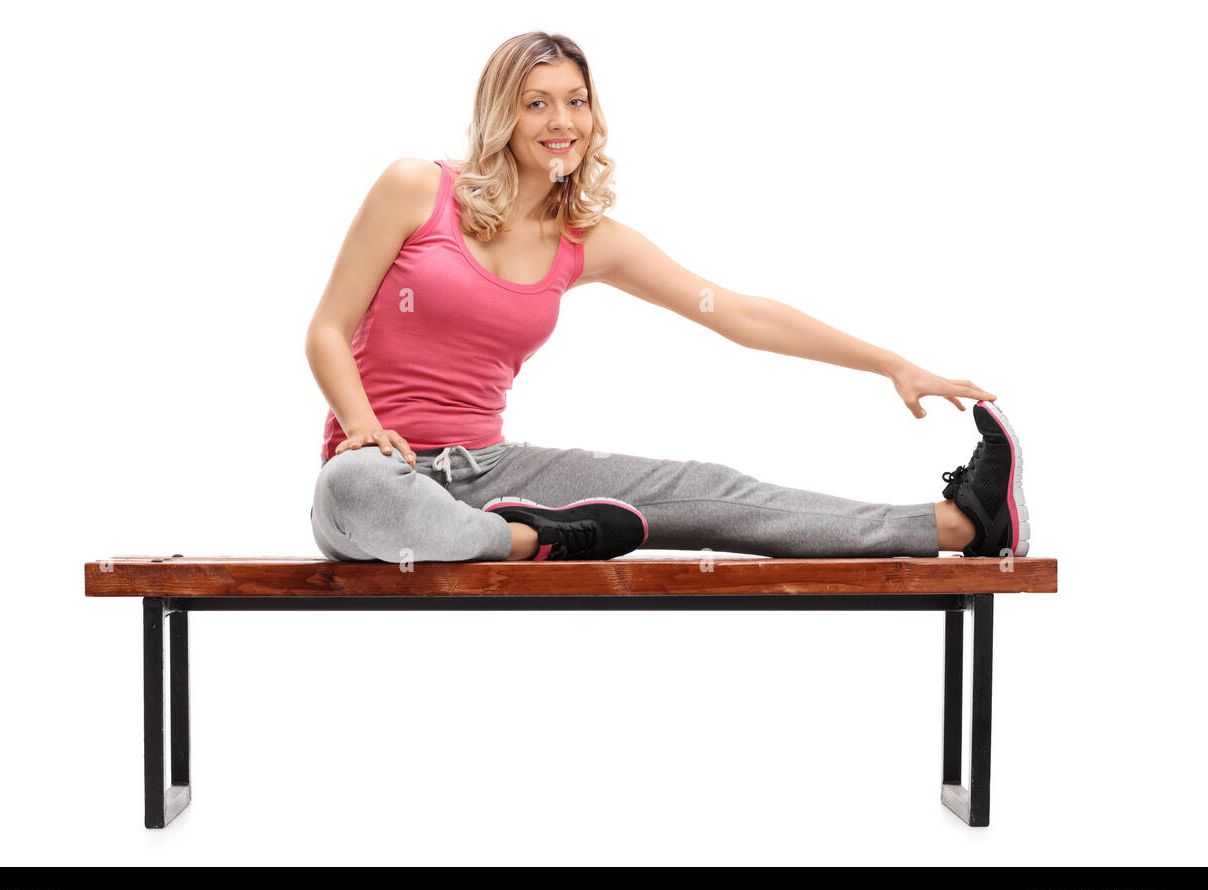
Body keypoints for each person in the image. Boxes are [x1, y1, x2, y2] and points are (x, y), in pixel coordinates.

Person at [304, 32, 1030, 564]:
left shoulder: (586, 240)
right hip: (379, 470)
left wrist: (890, 364)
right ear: (503, 114)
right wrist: (362, 425)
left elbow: (735, 311)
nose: (562, 122)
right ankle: (532, 538)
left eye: (576, 102)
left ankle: (958, 526)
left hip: (493, 473)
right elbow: (328, 330)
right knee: (355, 493)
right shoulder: (416, 190)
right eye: (537, 103)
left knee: (706, 489)